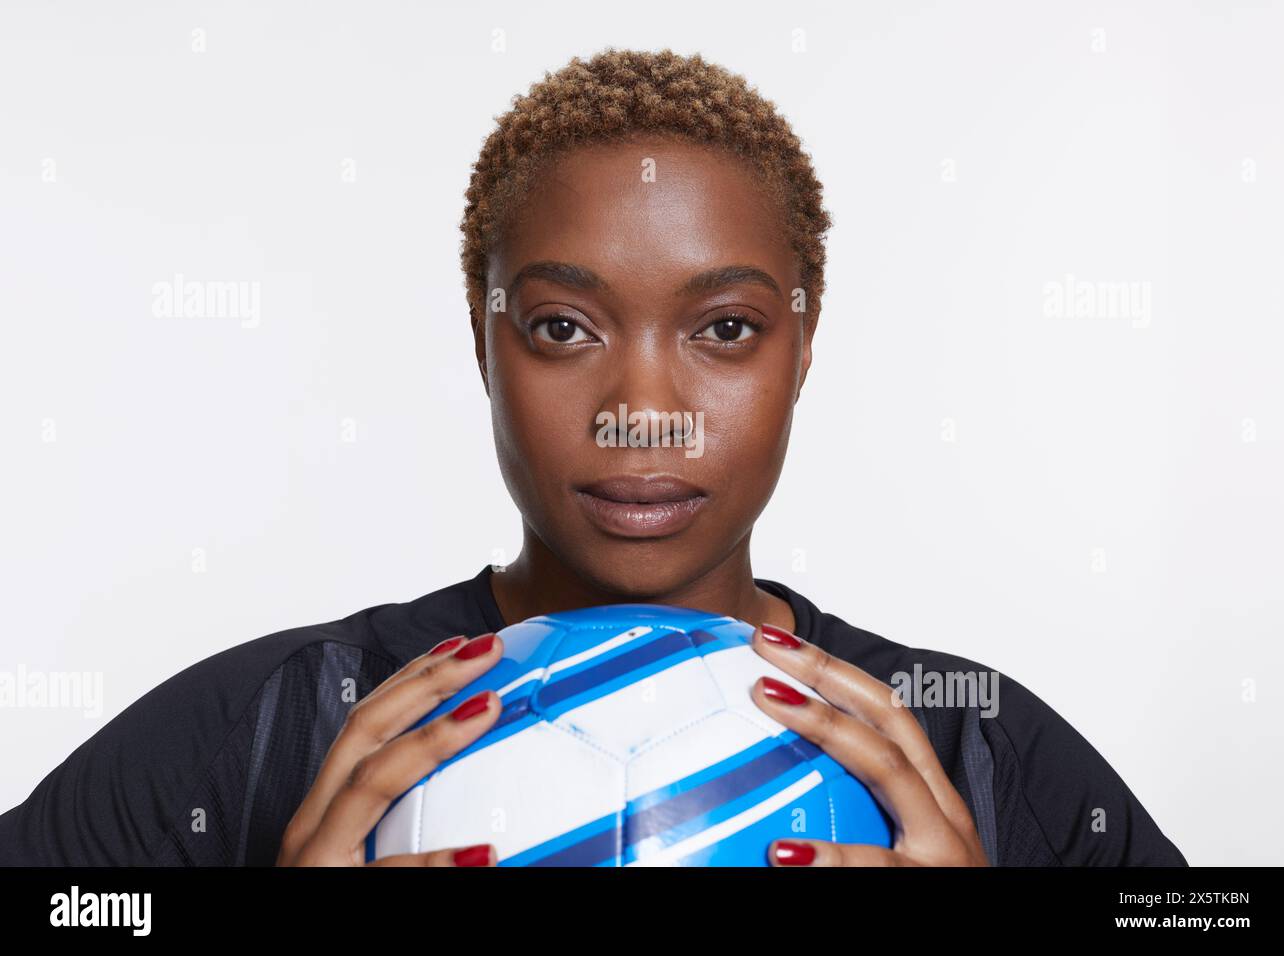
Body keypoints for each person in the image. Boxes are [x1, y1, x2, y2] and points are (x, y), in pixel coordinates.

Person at [0, 48, 1186, 867]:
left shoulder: (965, 743)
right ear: (483, 337)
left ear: (803, 343)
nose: (642, 411)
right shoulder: (275, 726)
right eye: (563, 327)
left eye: (724, 329)